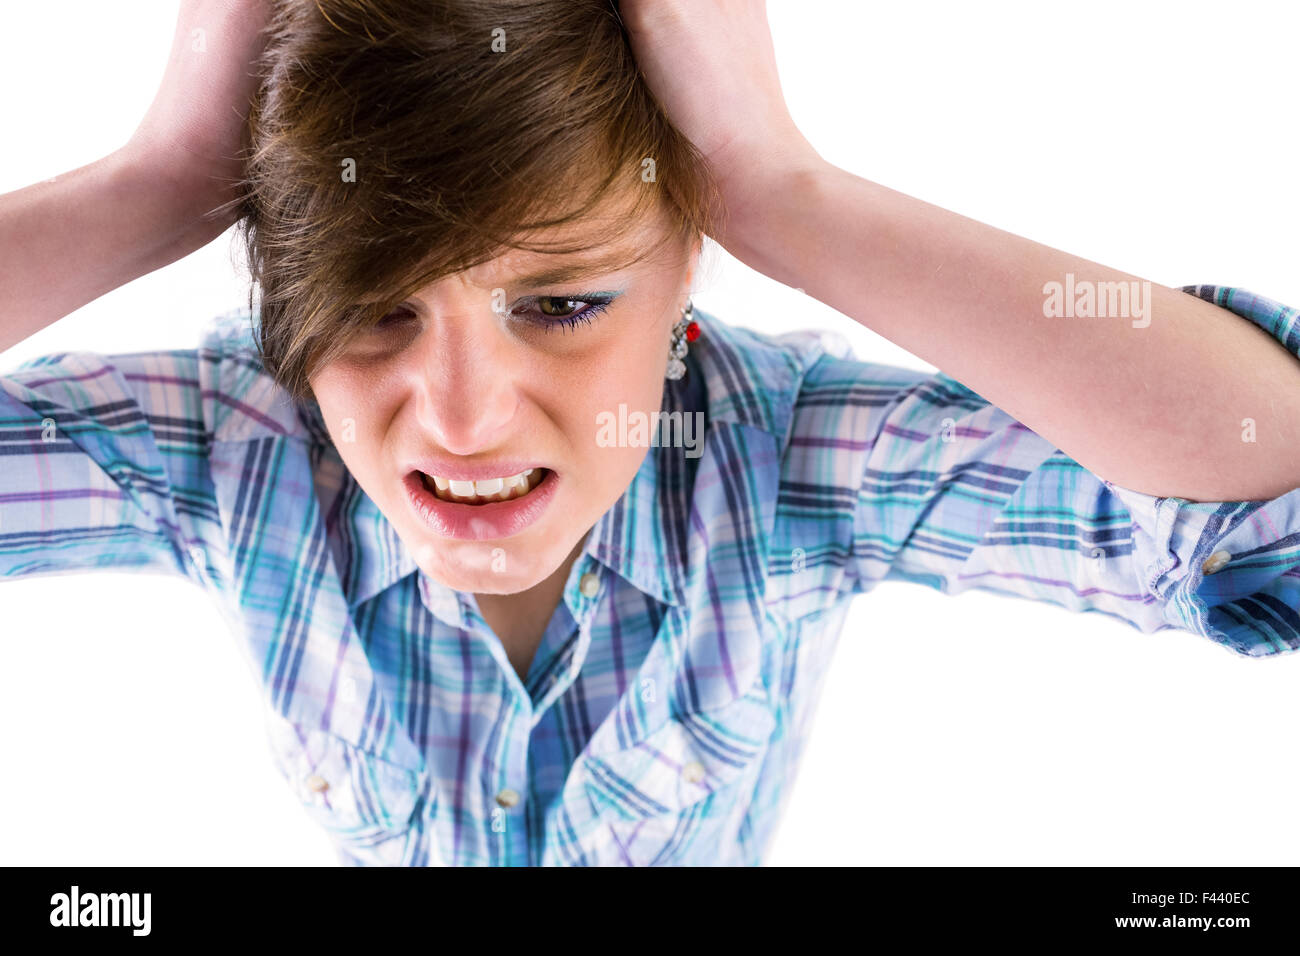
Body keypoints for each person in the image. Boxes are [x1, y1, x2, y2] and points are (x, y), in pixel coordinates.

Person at [2, 0, 1298, 866]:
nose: (461, 419)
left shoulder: (786, 461)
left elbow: (1270, 486)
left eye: (563, 305)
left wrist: (783, 188)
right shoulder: (234, 450)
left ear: (689, 271)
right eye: (376, 312)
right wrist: (158, 176)